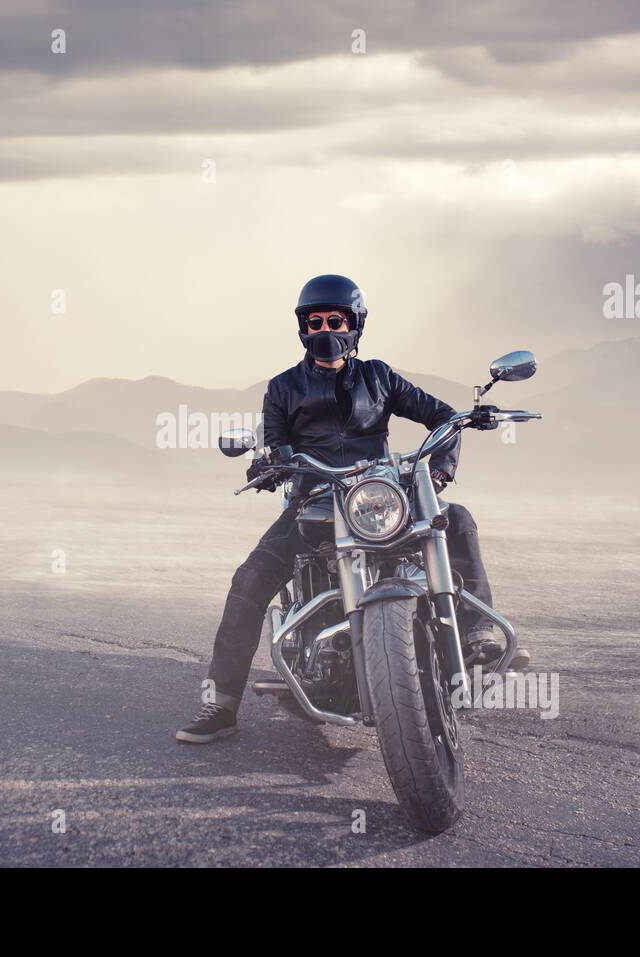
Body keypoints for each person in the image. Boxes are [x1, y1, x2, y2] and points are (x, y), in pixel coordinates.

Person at [176, 274, 528, 744]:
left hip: (378, 496)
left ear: (354, 324)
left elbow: (442, 417)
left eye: (334, 320)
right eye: (315, 321)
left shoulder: (378, 377)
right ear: (303, 328)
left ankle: (477, 632)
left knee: (456, 518)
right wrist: (270, 464)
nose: (325, 329)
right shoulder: (283, 388)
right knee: (249, 580)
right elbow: (277, 442)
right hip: (314, 498)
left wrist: (441, 467)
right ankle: (220, 704)